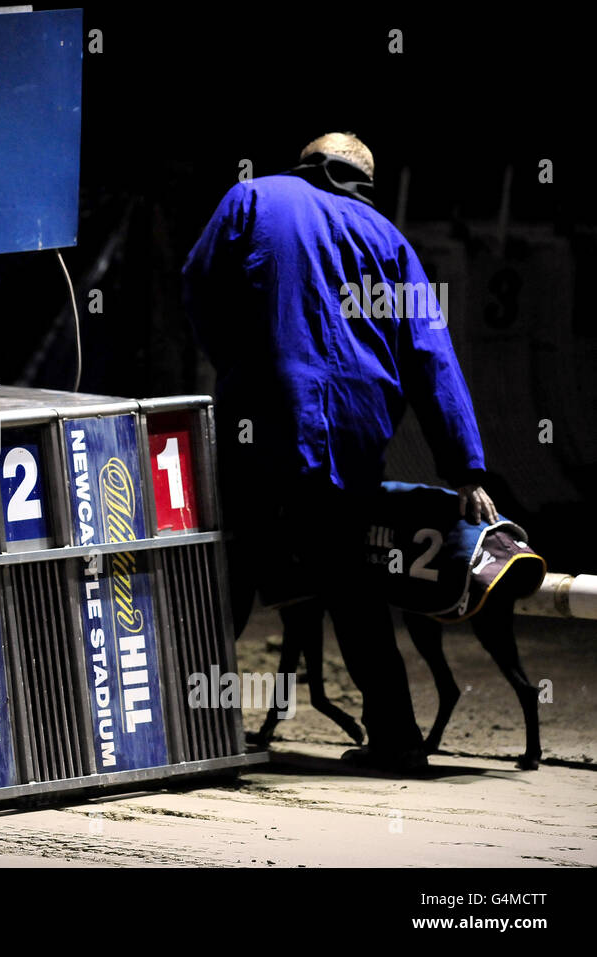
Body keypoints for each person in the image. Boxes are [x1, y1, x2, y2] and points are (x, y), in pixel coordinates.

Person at [182, 132, 495, 772]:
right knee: (351, 582)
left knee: (228, 576)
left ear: (307, 162)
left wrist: (238, 363)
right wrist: (465, 466)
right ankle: (398, 740)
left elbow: (198, 282)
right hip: (351, 438)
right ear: (362, 181)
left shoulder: (252, 198)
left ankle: (193, 731)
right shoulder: (388, 241)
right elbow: (430, 353)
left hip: (262, 422)